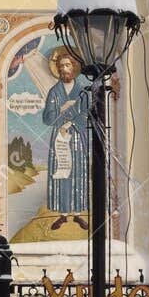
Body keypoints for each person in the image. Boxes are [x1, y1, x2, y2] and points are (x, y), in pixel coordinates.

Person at [41, 47, 90, 232]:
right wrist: (61, 111)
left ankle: (78, 214)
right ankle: (63, 214)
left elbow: (87, 114)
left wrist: (69, 121)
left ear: (74, 67)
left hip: (76, 137)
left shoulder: (82, 91)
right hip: (60, 139)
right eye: (61, 66)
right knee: (62, 172)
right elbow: (47, 117)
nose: (64, 69)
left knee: (77, 171)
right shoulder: (54, 92)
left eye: (67, 65)